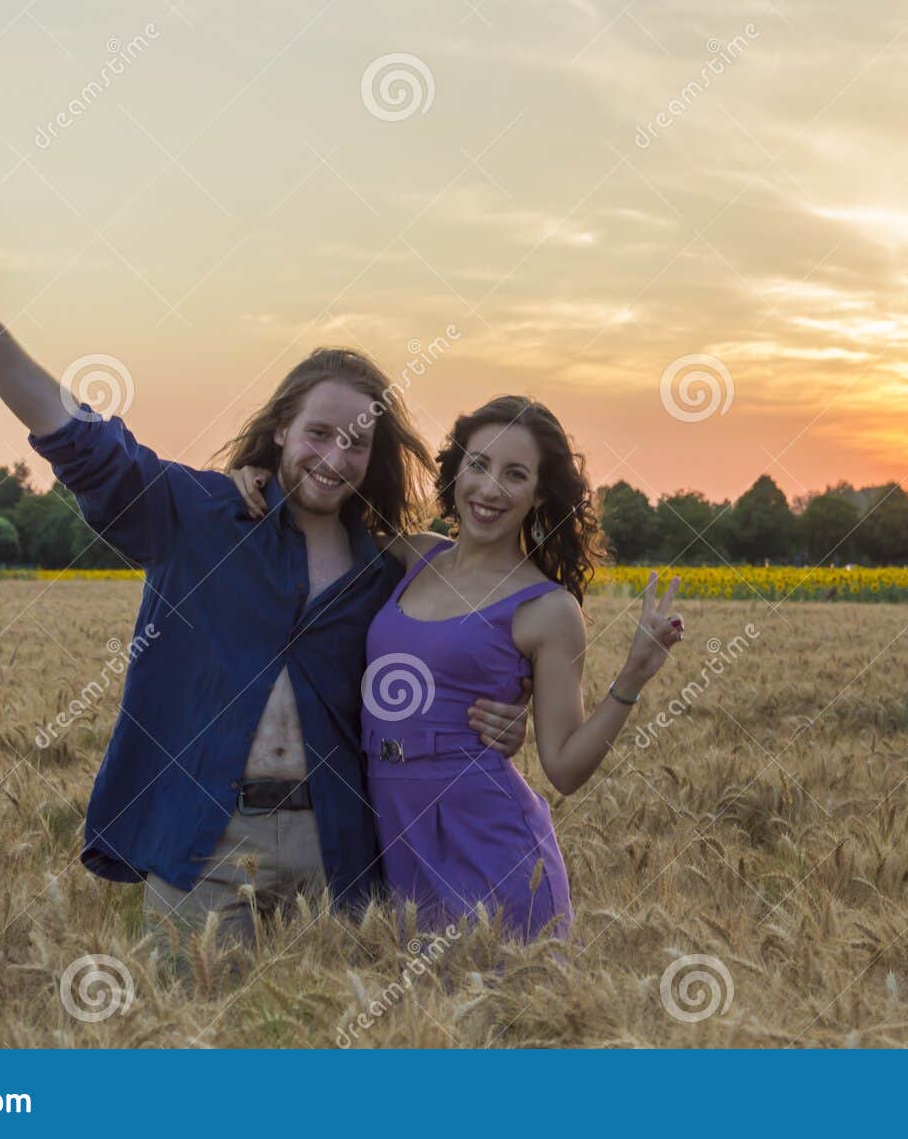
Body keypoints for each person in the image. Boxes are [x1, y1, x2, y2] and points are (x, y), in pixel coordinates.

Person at [0, 214, 531, 947]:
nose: (334, 456)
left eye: (356, 443)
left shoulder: (388, 570)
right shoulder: (200, 515)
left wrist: (513, 701)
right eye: (318, 433)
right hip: (204, 839)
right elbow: (82, 440)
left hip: (335, 854)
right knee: (188, 1046)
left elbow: (501, 595)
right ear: (280, 430)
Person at [231, 396, 685, 940]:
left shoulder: (547, 609)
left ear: (540, 492)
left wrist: (633, 677)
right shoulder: (413, 555)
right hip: (392, 833)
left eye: (515, 474)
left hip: (487, 844)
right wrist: (254, 477)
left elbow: (564, 767)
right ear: (458, 470)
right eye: (479, 465)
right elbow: (312, 523)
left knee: (500, 1012)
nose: (490, 489)